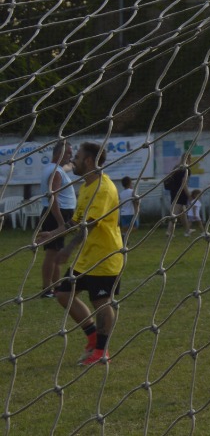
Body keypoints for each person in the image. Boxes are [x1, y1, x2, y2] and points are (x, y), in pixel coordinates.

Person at [53, 141, 123, 368]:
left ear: (89, 161)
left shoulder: (103, 188)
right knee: (63, 294)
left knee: (101, 302)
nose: (73, 161)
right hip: (87, 257)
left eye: (78, 156)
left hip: (105, 257)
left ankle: (102, 352)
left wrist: (67, 248)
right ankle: (93, 339)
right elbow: (77, 221)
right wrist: (53, 233)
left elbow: (90, 225)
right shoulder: (86, 186)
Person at [35, 141, 76, 298]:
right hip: (56, 215)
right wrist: (60, 222)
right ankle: (47, 289)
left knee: (56, 252)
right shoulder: (56, 172)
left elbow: (68, 166)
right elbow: (53, 198)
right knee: (52, 253)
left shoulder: (56, 169)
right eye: (68, 153)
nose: (70, 156)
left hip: (58, 214)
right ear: (59, 154)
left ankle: (56, 286)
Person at [164, 155, 193, 236]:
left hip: (173, 191)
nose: (191, 160)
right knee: (175, 213)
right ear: (187, 159)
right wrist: (189, 195)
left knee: (182, 212)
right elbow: (184, 184)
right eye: (190, 159)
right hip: (181, 193)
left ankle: (187, 230)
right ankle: (169, 231)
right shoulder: (186, 170)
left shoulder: (176, 167)